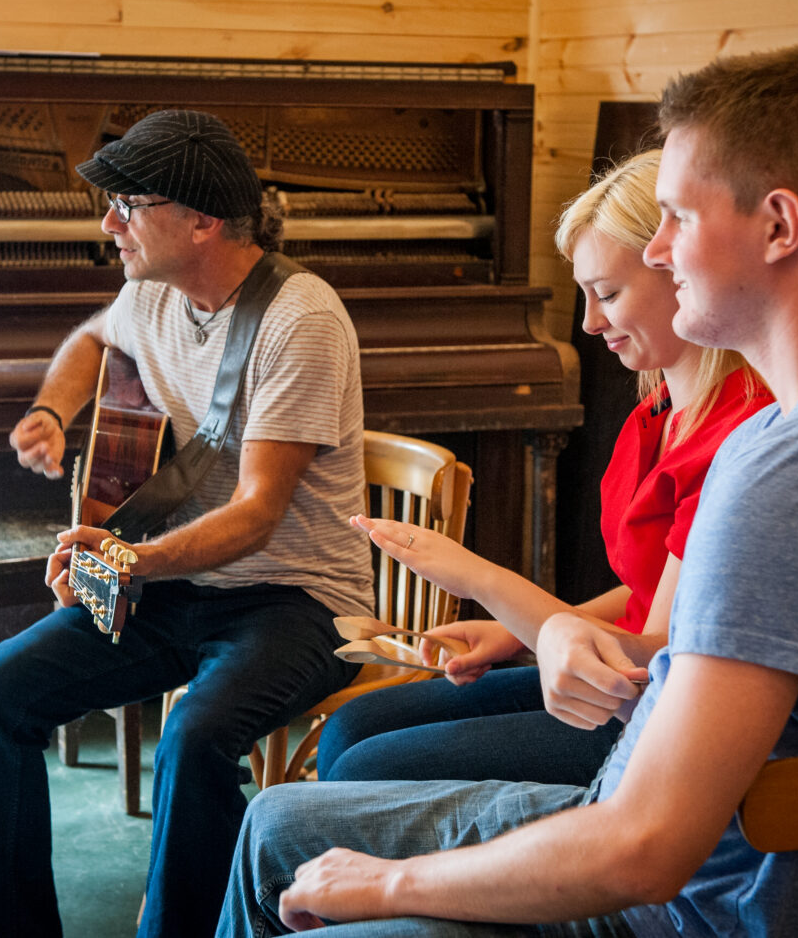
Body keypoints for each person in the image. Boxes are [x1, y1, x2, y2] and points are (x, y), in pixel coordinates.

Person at [218, 40, 798, 937]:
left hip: (673, 909)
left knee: (312, 864)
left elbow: (643, 850)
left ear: (779, 227)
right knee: (274, 820)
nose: (659, 252)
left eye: (676, 220)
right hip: (653, 834)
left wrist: (389, 884)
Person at [0, 109, 372, 938]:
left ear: (201, 221)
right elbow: (92, 341)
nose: (109, 223)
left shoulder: (300, 319)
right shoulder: (152, 293)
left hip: (299, 602)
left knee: (195, 736)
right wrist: (51, 413)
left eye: (128, 204)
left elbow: (255, 516)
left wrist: (128, 563)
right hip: (179, 582)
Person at [317, 150, 771, 787]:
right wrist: (519, 635)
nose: (588, 323)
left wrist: (481, 578)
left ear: (680, 272)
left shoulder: (740, 434)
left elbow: (657, 650)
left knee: (368, 767)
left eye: (607, 294)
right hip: (614, 679)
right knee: (347, 729)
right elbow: (650, 591)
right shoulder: (659, 410)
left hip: (651, 719)